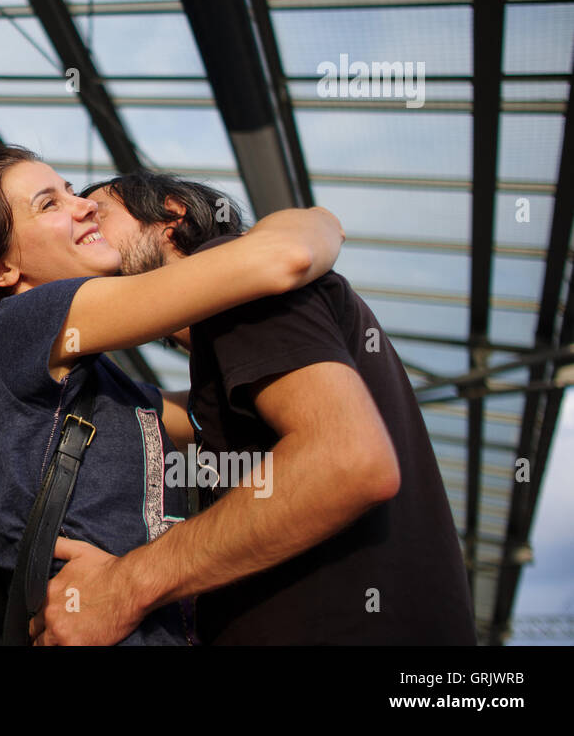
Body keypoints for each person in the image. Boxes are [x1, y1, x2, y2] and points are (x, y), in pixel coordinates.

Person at [23, 169, 477, 645]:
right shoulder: (224, 351)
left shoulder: (234, 278)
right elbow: (141, 412)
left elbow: (347, 460)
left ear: (172, 215)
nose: (85, 222)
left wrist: (123, 586)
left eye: (100, 211)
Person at [0, 146, 345, 645]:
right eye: (48, 204)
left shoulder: (98, 383)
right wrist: (319, 220)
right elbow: (283, 258)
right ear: (2, 269)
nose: (85, 206)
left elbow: (206, 412)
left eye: (70, 190)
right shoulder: (17, 324)